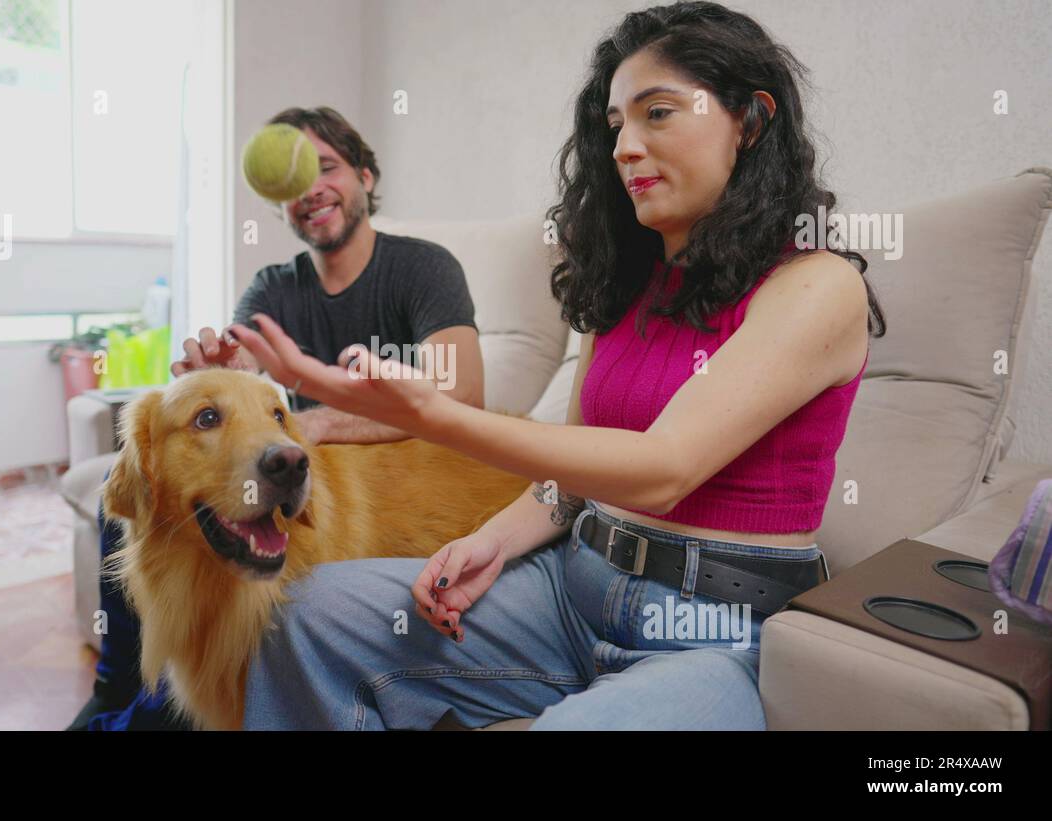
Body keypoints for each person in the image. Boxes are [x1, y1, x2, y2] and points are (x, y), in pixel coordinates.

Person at [226, 0, 888, 730]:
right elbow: (569, 482)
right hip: (571, 589)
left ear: (750, 120)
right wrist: (492, 541)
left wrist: (435, 417)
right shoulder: (623, 287)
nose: (625, 148)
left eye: (657, 113)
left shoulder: (817, 285)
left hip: (711, 634)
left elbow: (664, 468)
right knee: (304, 611)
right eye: (615, 128)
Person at [67, 106, 486, 730]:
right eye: (294, 179)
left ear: (366, 177)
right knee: (122, 490)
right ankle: (120, 684)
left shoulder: (422, 267)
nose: (311, 188)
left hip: (366, 481)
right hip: (280, 474)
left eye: (328, 167)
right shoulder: (270, 289)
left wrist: (312, 426)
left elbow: (464, 398)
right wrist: (215, 387)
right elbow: (231, 393)